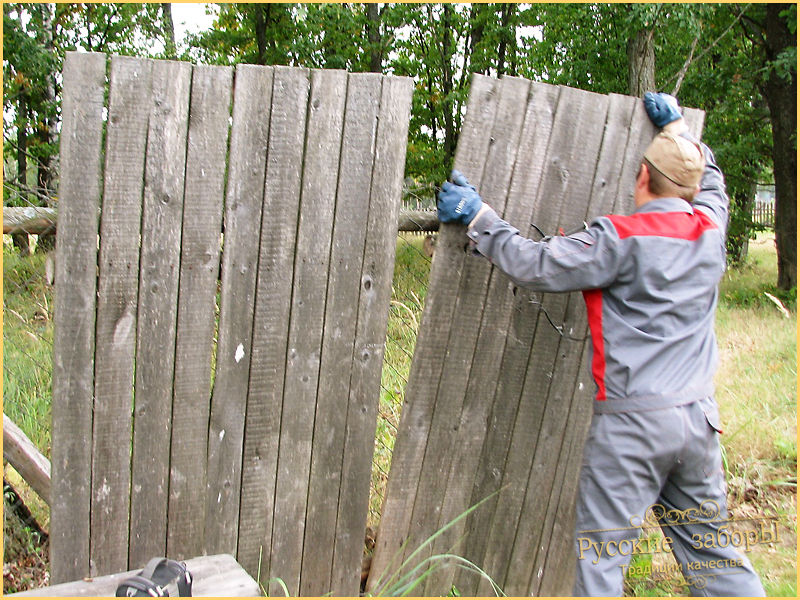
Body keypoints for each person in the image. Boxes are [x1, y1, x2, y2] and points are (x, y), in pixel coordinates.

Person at [436, 93, 766, 597]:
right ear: (694, 188)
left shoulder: (620, 240)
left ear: (641, 176)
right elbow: (713, 182)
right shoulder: (711, 229)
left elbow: (536, 264)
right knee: (713, 554)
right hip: (698, 423)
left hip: (633, 430)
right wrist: (678, 127)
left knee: (603, 565)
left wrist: (478, 217)